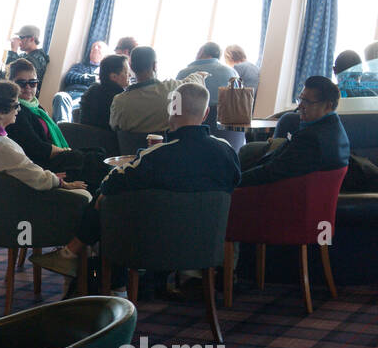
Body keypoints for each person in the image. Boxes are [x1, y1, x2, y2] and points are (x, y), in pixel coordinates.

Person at [34, 81, 241, 277]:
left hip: (154, 244)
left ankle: (82, 261)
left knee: (106, 196)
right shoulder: (226, 151)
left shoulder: (157, 155)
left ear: (171, 110)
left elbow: (111, 181)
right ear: (205, 114)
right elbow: (234, 183)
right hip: (206, 243)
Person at [4, 59, 105, 185]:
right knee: (95, 160)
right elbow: (36, 148)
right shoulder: (16, 111)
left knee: (98, 153)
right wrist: (64, 151)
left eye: (33, 83)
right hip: (42, 164)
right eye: (21, 83)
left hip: (53, 157)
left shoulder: (35, 107)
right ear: (10, 84)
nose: (28, 87)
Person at [240, 75, 349, 186]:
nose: (300, 106)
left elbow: (271, 172)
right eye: (300, 99)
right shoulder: (335, 127)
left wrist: (234, 182)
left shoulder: (311, 139)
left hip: (281, 196)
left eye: (306, 102)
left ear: (328, 106)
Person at [109, 46, 206, 134]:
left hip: (130, 151)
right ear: (155, 66)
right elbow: (194, 83)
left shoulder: (119, 101)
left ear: (131, 67)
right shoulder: (174, 89)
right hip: (167, 150)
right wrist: (199, 75)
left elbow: (114, 127)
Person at [177, 42, 237, 122]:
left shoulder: (184, 74)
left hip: (191, 128)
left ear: (201, 52)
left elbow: (175, 105)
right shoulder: (231, 73)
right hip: (227, 130)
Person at [79, 54, 130, 130]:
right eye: (126, 72)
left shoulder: (92, 90)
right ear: (114, 77)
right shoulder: (118, 98)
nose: (129, 75)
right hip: (106, 139)